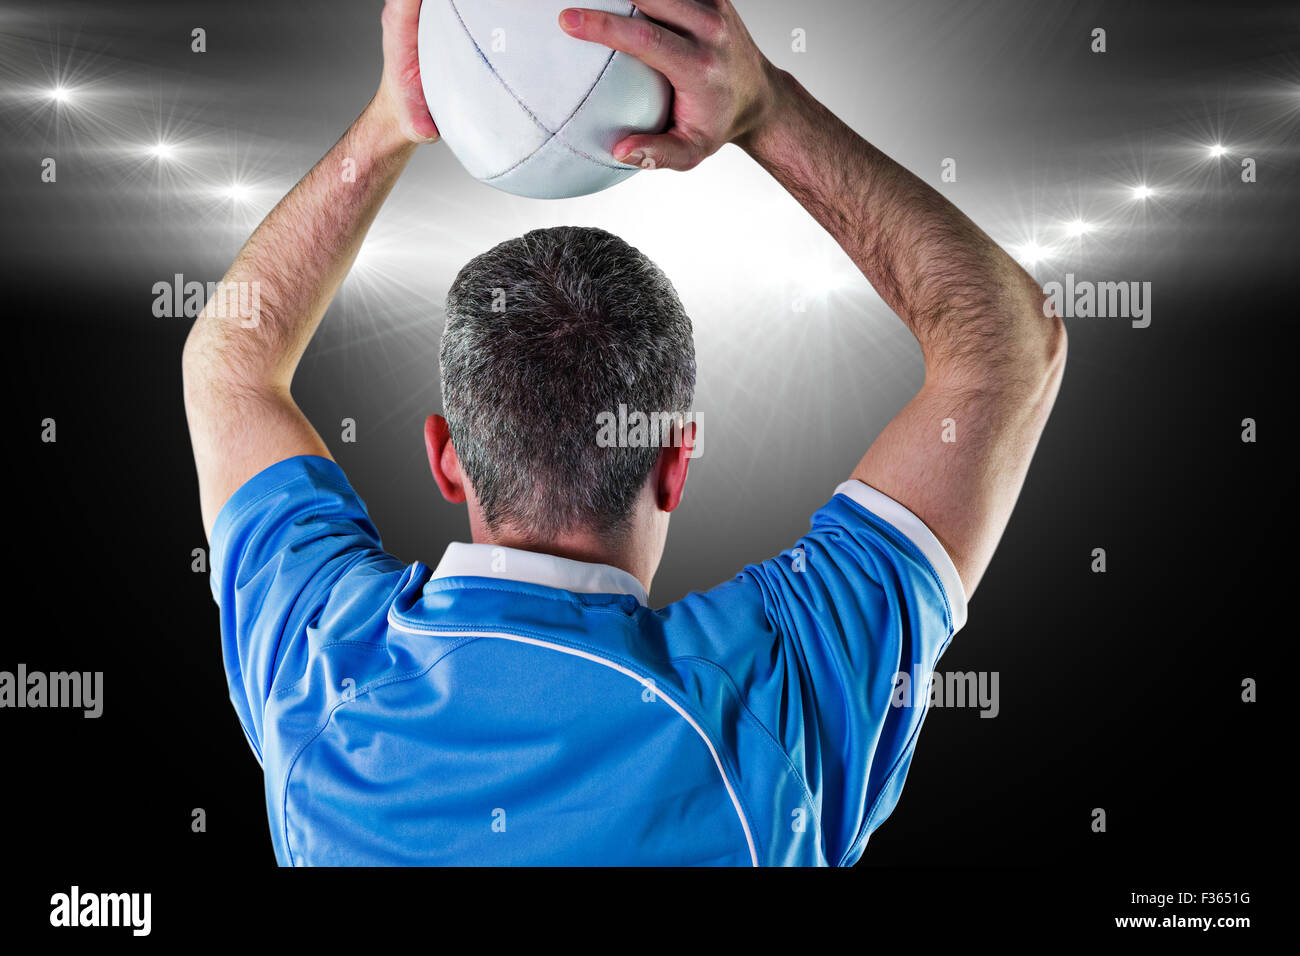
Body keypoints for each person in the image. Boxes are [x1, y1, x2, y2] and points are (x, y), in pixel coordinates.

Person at [183, 0, 1066, 866]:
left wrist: (390, 121)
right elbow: (1010, 349)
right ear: (676, 462)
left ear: (447, 458)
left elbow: (227, 367)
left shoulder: (323, 682)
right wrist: (766, 111)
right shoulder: (776, 709)